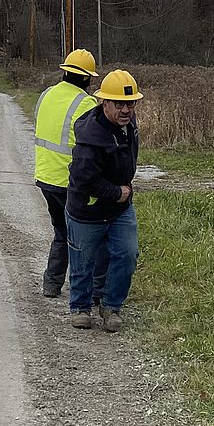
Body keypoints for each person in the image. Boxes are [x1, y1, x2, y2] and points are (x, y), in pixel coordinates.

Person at [66, 68, 143, 334]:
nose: (126, 110)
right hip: (87, 210)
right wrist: (117, 192)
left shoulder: (128, 125)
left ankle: (111, 306)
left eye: (130, 103)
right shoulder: (90, 138)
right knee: (83, 260)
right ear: (104, 103)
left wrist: (122, 194)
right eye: (119, 104)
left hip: (120, 209)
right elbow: (83, 180)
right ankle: (81, 307)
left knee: (127, 254)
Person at [33, 49, 102, 298]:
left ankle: (51, 284)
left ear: (65, 72)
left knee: (61, 232)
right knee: (85, 237)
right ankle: (90, 291)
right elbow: (94, 144)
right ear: (87, 79)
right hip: (71, 182)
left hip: (45, 176)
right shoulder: (86, 103)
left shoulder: (45, 95)